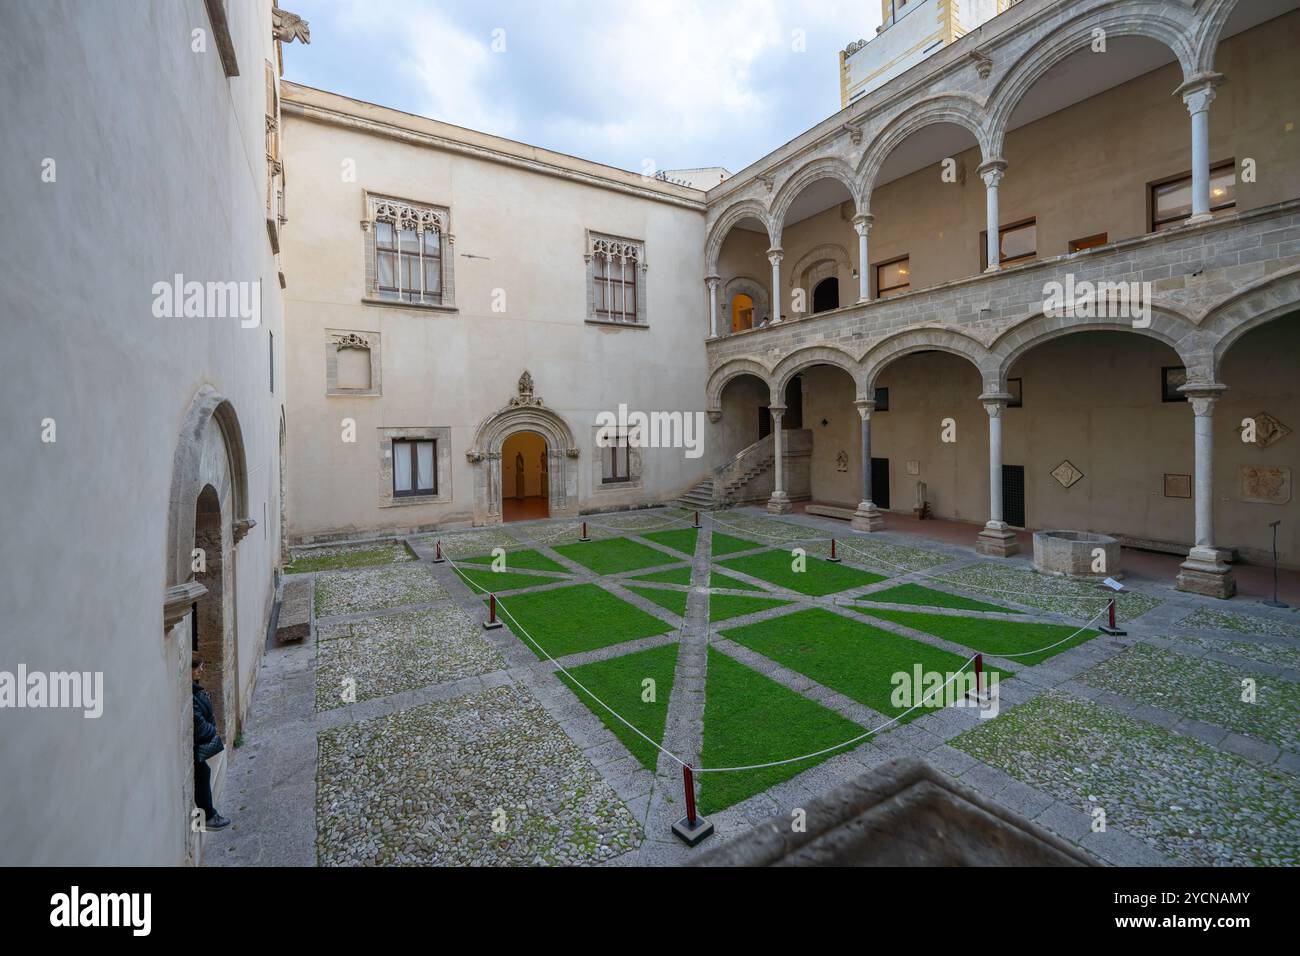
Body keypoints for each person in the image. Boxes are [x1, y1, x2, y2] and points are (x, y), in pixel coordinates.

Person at [192, 657, 231, 831]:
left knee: (204, 773)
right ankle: (208, 816)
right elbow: (199, 726)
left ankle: (207, 815)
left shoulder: (195, 690)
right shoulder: (191, 697)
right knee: (203, 773)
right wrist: (213, 729)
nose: (201, 671)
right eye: (198, 668)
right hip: (196, 745)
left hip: (197, 743)